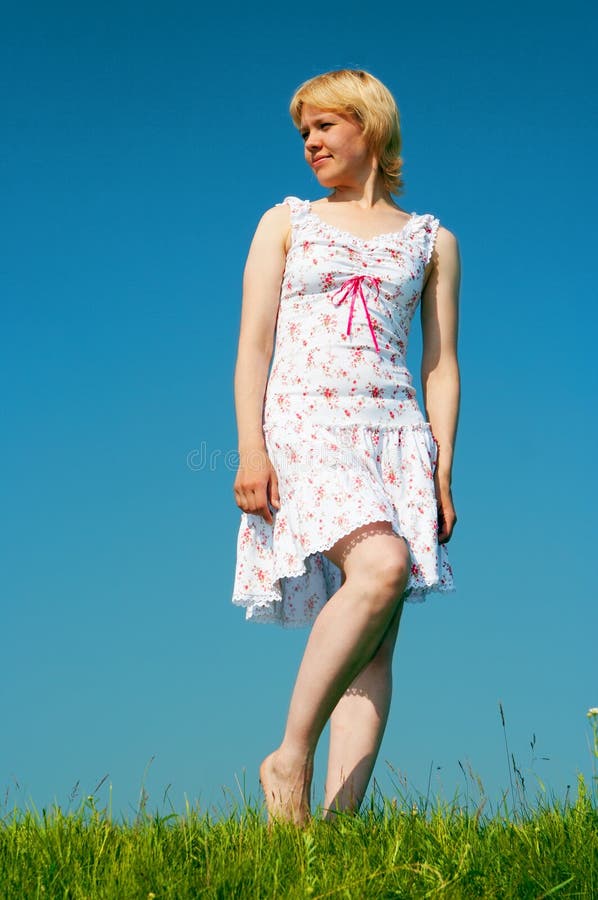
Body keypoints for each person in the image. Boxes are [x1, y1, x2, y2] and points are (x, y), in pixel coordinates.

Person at [231, 69, 460, 825]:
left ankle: (333, 836)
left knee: (377, 644)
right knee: (382, 562)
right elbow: (254, 345)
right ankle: (288, 756)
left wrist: (443, 470)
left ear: (371, 129)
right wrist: (250, 450)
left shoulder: (433, 240)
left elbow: (439, 364)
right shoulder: (286, 222)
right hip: (307, 426)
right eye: (304, 133)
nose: (311, 143)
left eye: (326, 127)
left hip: (397, 437)